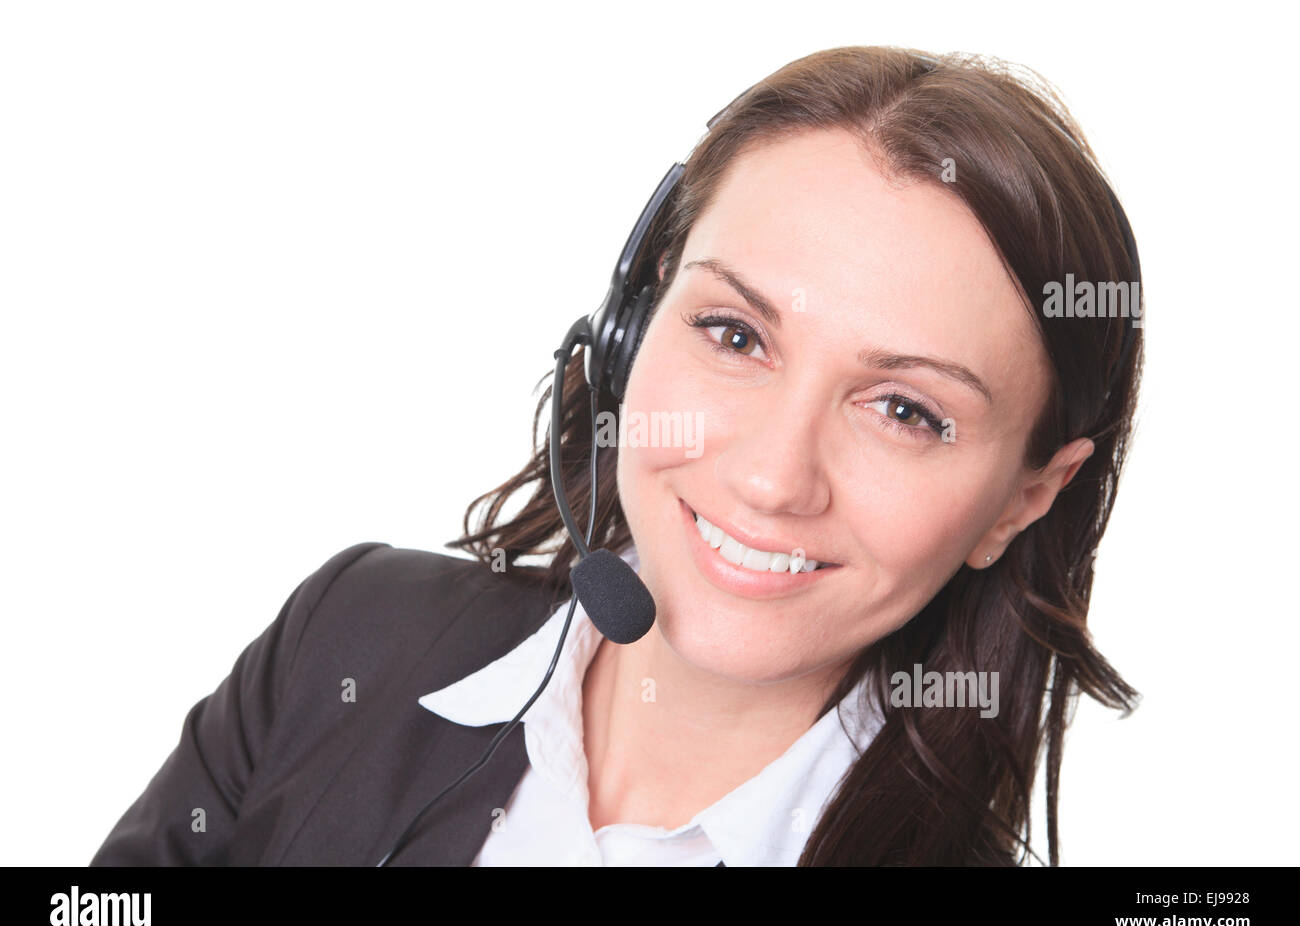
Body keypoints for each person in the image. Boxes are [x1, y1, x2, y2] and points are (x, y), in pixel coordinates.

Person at [91, 44, 1142, 867]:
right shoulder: (352, 636)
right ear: (630, 328)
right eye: (735, 336)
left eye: (906, 409)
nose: (773, 477)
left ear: (1022, 499)